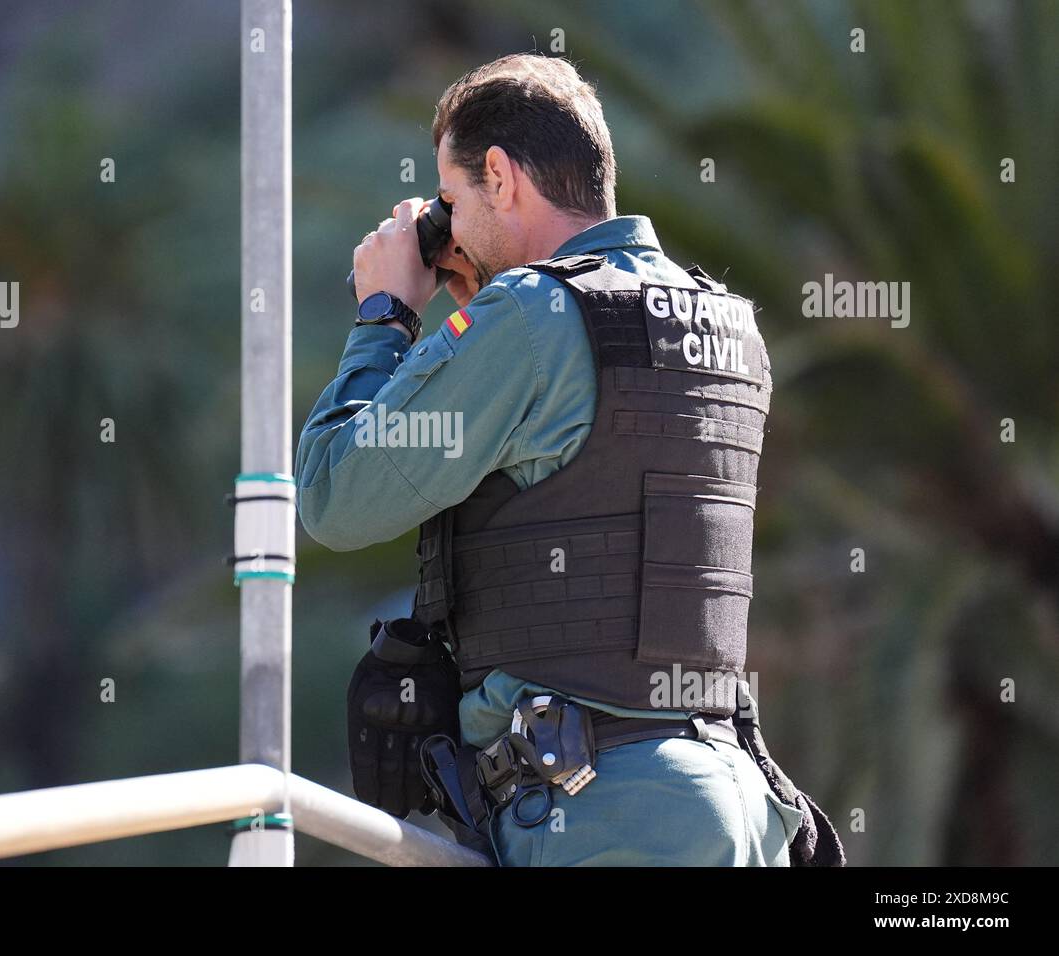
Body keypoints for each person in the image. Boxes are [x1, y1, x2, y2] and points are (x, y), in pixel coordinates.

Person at [296, 53, 823, 866]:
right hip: (737, 803)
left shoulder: (535, 317)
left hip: (603, 819)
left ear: (500, 177)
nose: (449, 228)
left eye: (452, 201)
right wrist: (488, 325)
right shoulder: (726, 323)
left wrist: (385, 317)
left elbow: (334, 494)